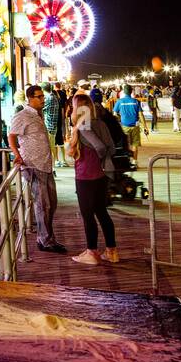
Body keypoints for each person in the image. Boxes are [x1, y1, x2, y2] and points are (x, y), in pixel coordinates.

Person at [8, 84, 66, 253]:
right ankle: (45, 240)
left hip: (45, 164)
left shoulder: (38, 115)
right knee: (43, 204)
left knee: (51, 203)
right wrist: (17, 155)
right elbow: (11, 135)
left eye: (42, 96)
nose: (42, 99)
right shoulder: (22, 115)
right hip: (33, 164)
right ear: (30, 98)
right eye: (39, 97)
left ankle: (47, 237)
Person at [66, 94, 119, 265]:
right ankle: (111, 251)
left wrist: (95, 157)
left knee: (88, 215)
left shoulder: (84, 125)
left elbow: (101, 147)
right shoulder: (100, 123)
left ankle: (92, 253)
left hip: (86, 175)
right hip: (101, 175)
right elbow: (111, 148)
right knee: (102, 212)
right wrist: (102, 161)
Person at [112, 84, 148, 159]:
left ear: (124, 92)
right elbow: (141, 115)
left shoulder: (119, 102)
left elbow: (115, 114)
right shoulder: (136, 101)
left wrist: (120, 120)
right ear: (131, 91)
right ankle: (134, 161)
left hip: (124, 126)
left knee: (126, 145)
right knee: (135, 145)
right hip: (135, 126)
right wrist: (145, 127)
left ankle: (128, 162)